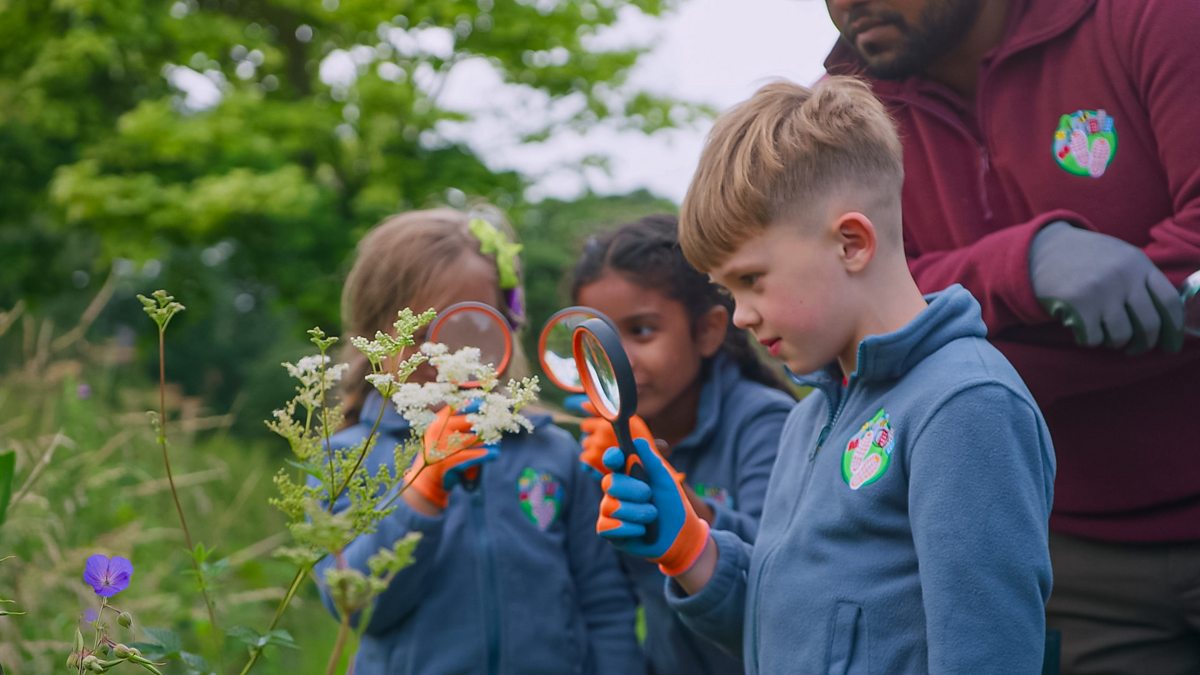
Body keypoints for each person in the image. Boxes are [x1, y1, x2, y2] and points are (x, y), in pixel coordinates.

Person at [593, 77, 1056, 672]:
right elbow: (792, 629)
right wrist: (691, 548)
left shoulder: (965, 405)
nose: (741, 315)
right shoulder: (809, 414)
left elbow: (987, 656)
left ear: (852, 243)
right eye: (727, 290)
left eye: (752, 279)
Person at [819, 0, 1200, 670]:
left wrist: (963, 357)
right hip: (1066, 560)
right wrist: (1025, 263)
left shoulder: (1155, 17)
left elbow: (895, 320)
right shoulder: (839, 114)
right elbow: (842, 312)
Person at [314, 208, 642, 674]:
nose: (447, 354)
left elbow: (604, 603)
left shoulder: (552, 452)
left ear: (508, 331)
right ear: (373, 336)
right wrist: (421, 493)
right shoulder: (346, 458)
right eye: (422, 334)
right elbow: (356, 605)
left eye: (474, 329)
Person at [569, 214, 795, 674]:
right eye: (601, 340)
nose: (621, 360)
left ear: (709, 330)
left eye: (642, 331)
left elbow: (784, 565)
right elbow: (605, 598)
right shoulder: (604, 441)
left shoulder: (765, 420)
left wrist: (679, 504)